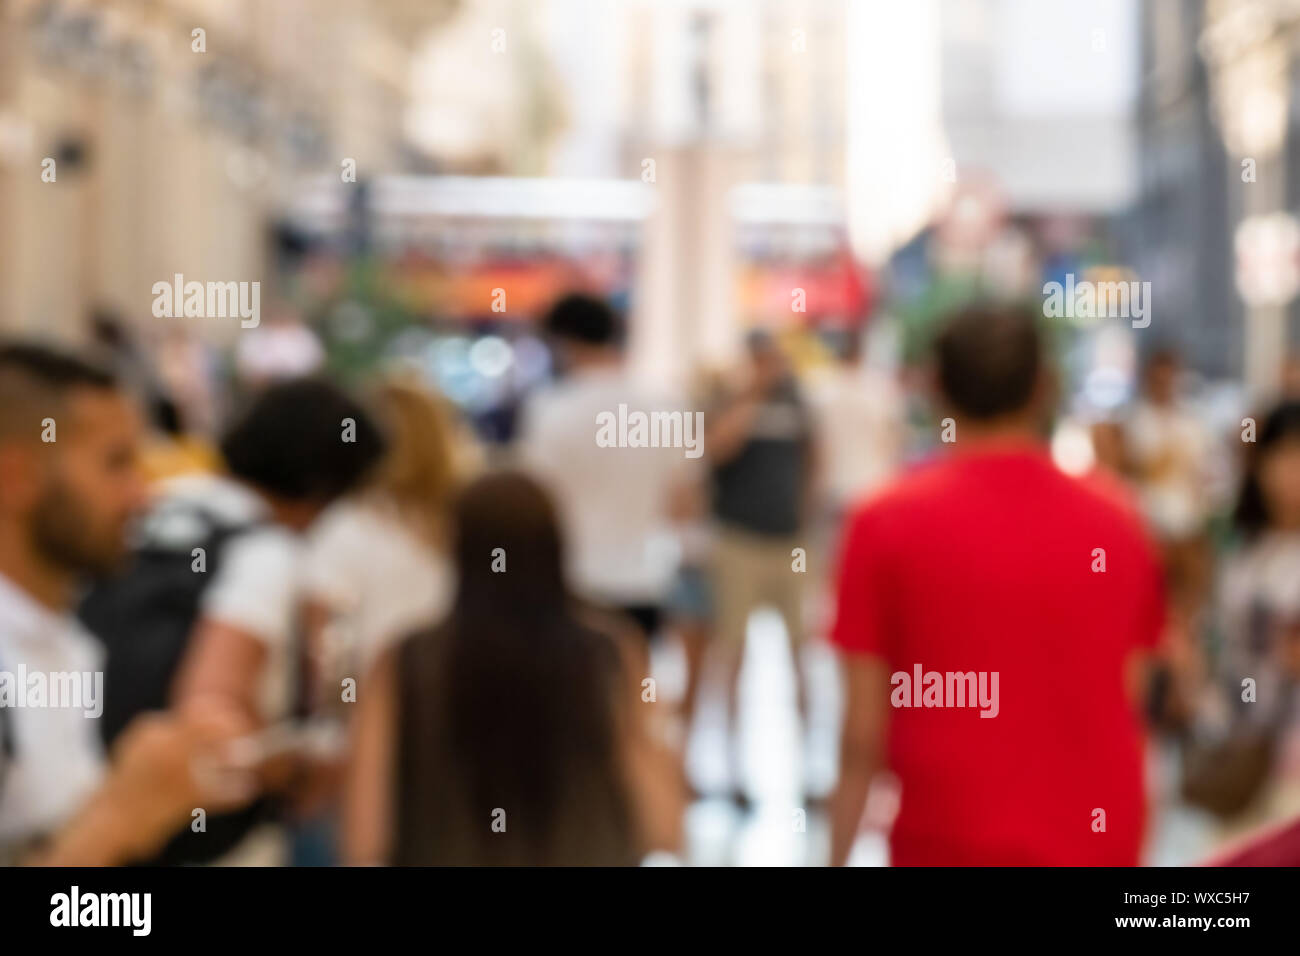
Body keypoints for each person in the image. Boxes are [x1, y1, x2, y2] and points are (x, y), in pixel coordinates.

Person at [829, 304, 1166, 866]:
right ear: (1043, 386)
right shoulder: (1118, 520)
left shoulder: (883, 522)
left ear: (935, 387)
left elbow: (862, 730)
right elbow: (1130, 694)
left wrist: (835, 854)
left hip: (947, 836)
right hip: (1096, 836)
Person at [80, 377, 385, 864]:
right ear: (322, 488)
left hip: (87, 812)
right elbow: (206, 714)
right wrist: (294, 765)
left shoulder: (155, 502)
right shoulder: (266, 554)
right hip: (199, 843)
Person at [342, 471, 684, 865]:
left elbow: (364, 835)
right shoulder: (613, 654)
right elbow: (663, 821)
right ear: (557, 546)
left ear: (458, 549)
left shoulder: (402, 662)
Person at [0, 343, 252, 865]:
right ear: (15, 478)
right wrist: (121, 814)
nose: (143, 495)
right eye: (116, 464)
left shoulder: (64, 641)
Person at [517, 293, 689, 641]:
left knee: (578, 690)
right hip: (647, 578)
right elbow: (685, 503)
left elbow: (535, 504)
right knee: (634, 683)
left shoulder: (549, 410)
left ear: (564, 341)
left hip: (575, 578)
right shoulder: (667, 407)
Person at [706, 329, 820, 806]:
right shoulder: (727, 401)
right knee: (733, 655)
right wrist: (748, 398)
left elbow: (814, 457)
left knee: (801, 656)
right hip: (739, 540)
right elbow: (714, 451)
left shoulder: (797, 401)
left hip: (788, 540)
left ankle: (809, 773)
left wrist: (808, 514)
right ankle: (733, 773)